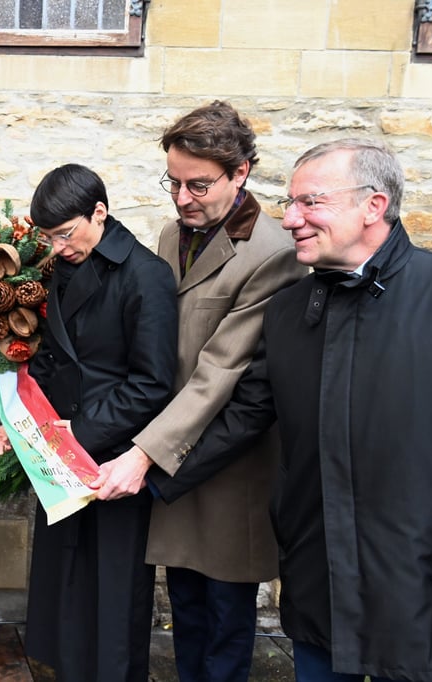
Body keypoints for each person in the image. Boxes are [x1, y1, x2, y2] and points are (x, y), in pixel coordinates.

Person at [148, 139, 432, 682]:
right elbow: (244, 416)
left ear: (373, 206)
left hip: (414, 595)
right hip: (316, 588)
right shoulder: (289, 311)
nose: (291, 218)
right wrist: (144, 474)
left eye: (310, 203)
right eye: (290, 201)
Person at [93, 101, 306, 681]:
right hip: (171, 453)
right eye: (175, 182)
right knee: (184, 608)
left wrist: (141, 452)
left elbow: (219, 369)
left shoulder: (274, 253)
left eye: (199, 185)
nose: (183, 198)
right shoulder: (170, 232)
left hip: (226, 465)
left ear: (240, 174)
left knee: (225, 620)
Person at [0, 163, 178, 681]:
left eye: (65, 233)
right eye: (46, 237)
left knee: (113, 598)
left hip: (112, 459)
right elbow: (51, 362)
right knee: (64, 588)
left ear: (100, 211)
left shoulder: (147, 275)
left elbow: (153, 384)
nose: (56, 246)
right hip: (62, 456)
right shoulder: (63, 268)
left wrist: (78, 435)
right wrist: (26, 426)